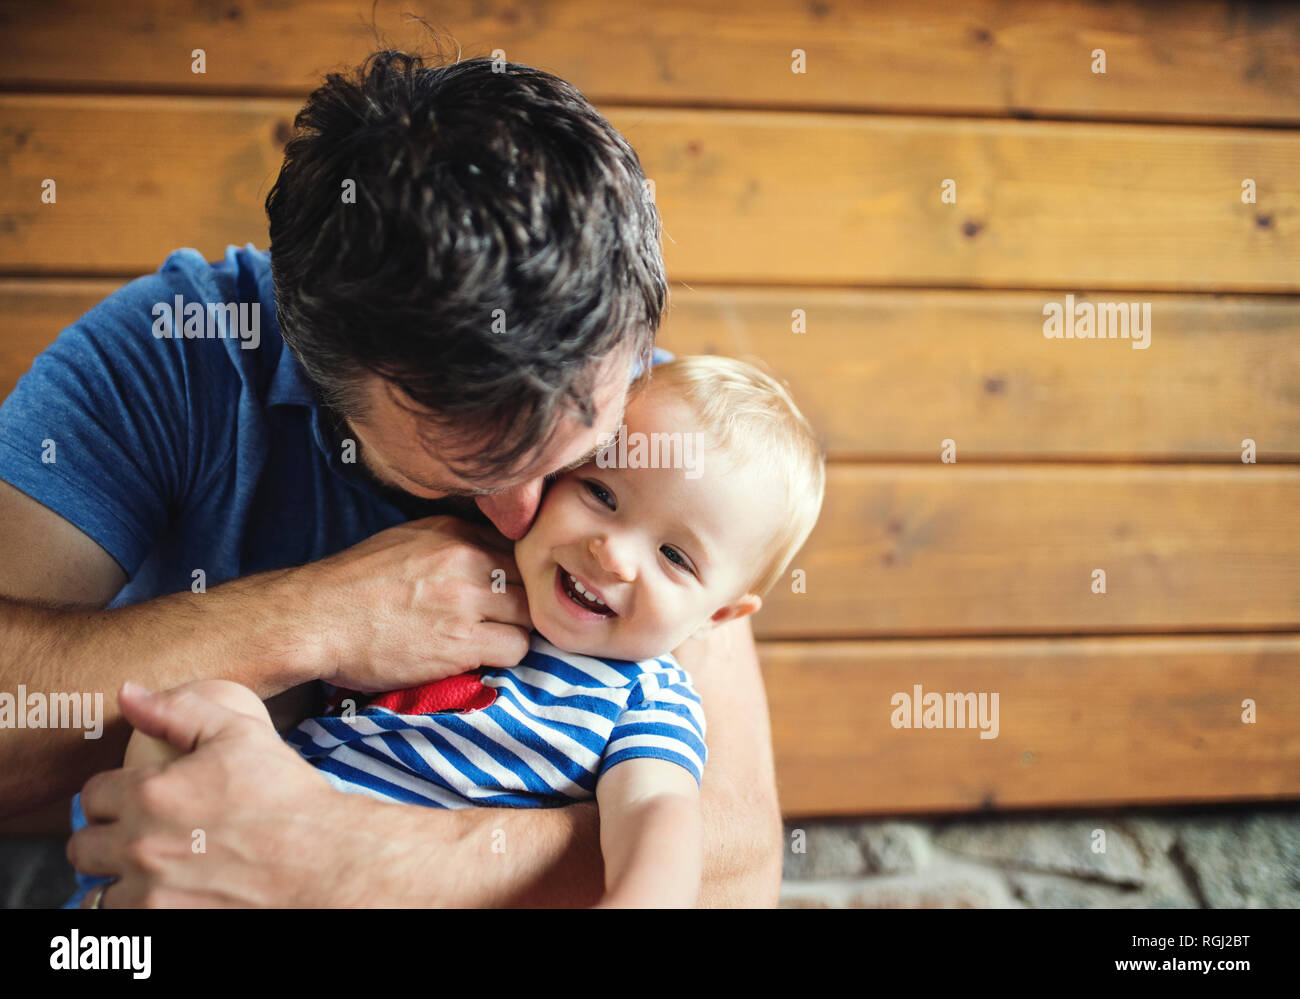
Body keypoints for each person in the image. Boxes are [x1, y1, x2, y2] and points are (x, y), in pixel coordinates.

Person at [0, 50, 783, 907]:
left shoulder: (666, 448)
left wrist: (355, 863)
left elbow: (737, 859)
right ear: (315, 366)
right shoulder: (177, 349)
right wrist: (318, 616)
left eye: (572, 467)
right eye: (461, 472)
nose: (525, 519)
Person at [62, 356, 826, 908]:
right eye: (601, 492)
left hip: (394, 886)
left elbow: (657, 815)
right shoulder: (440, 590)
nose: (614, 552)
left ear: (720, 616)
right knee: (205, 702)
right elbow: (297, 706)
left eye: (674, 556)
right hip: (256, 833)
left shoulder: (645, 698)